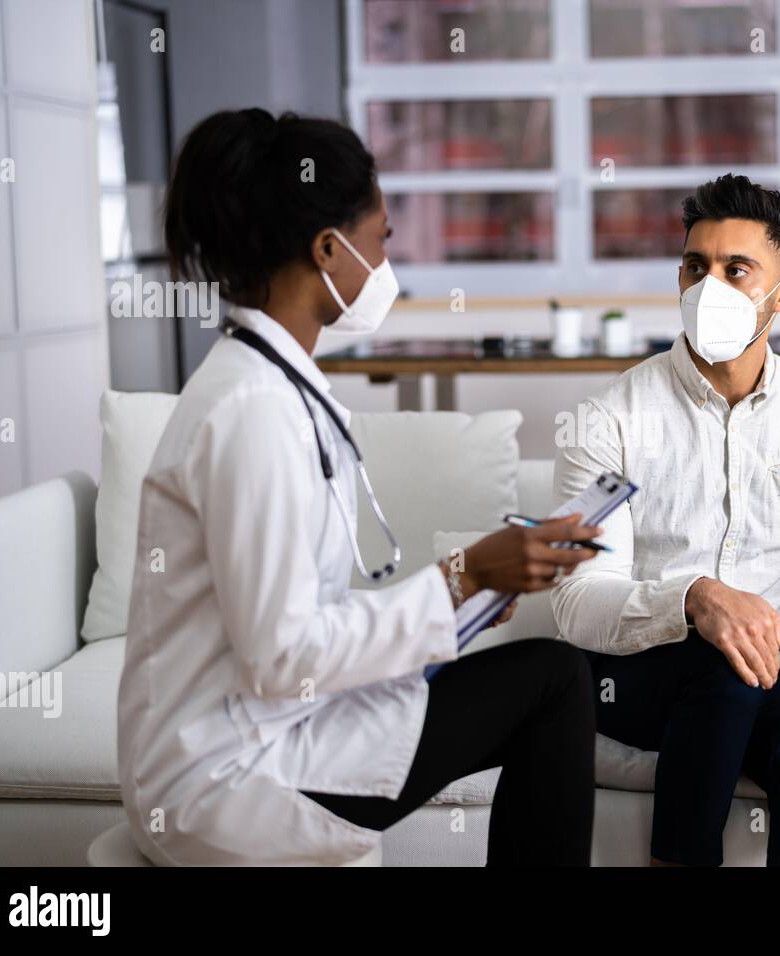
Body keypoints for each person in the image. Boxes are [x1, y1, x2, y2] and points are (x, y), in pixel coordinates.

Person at [117, 108, 601, 866]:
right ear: (327, 249)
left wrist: (471, 588)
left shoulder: (277, 385)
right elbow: (282, 655)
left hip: (274, 725)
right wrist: (464, 574)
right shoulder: (252, 414)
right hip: (226, 772)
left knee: (550, 678)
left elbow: (303, 626)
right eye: (381, 238)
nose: (385, 260)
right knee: (555, 682)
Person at [552, 174, 780, 866]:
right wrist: (696, 600)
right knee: (723, 660)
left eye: (737, 270)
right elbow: (576, 604)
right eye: (695, 266)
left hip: (763, 672)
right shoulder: (611, 419)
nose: (710, 286)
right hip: (631, 675)